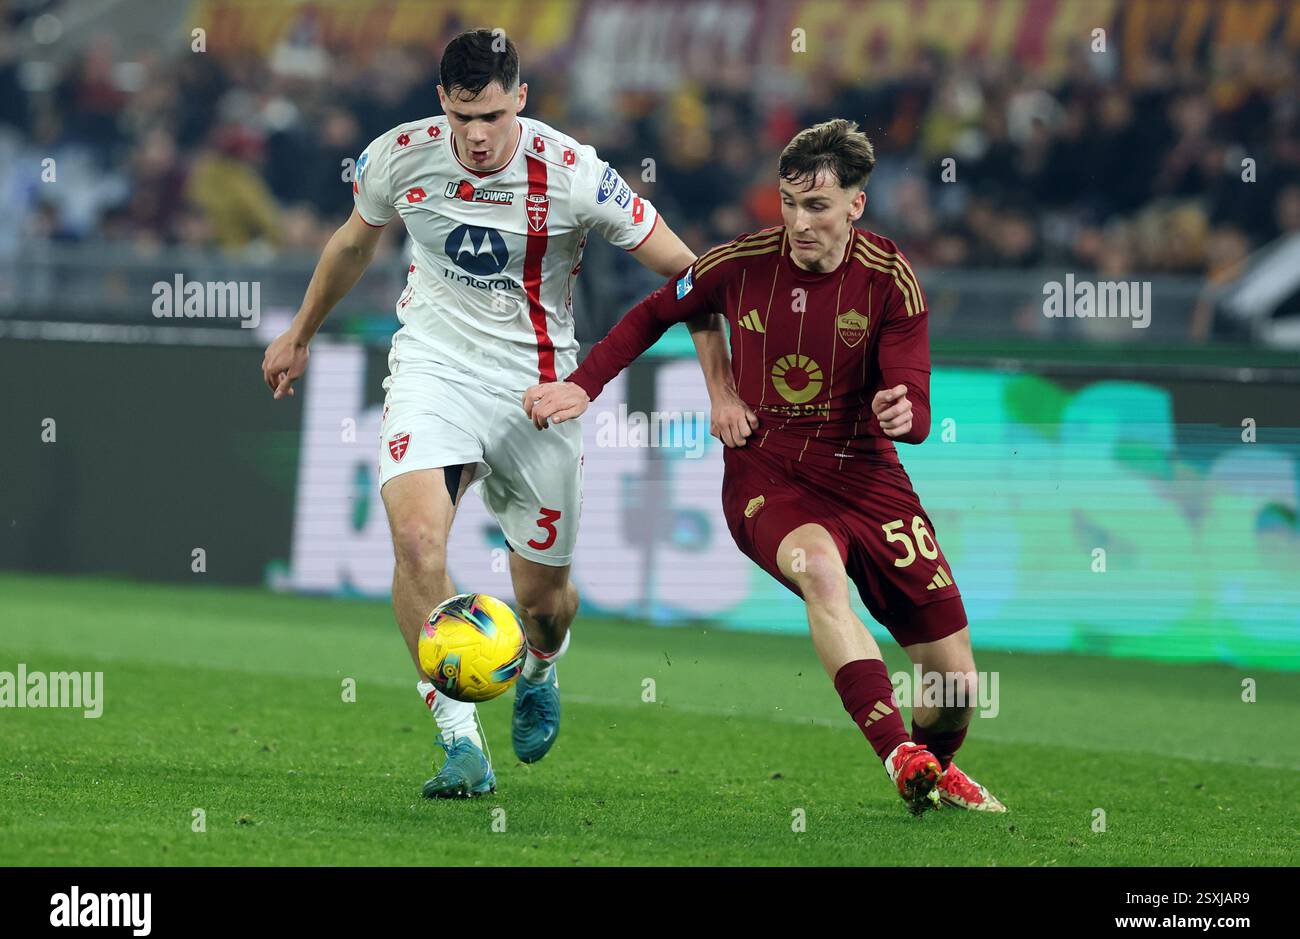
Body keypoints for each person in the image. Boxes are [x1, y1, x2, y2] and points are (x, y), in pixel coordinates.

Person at [260, 29, 747, 798]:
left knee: (540, 604)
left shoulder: (576, 174)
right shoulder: (398, 156)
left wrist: (719, 388)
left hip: (537, 391)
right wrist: (300, 331)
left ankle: (543, 667)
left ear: (521, 97)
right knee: (419, 544)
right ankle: (459, 741)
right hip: (433, 368)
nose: (476, 137)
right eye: (461, 118)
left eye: (490, 115)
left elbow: (692, 275)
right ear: (441, 106)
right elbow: (355, 243)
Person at [523, 119, 1005, 814]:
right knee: (820, 575)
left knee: (955, 684)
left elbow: (914, 396)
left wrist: (909, 413)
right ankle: (898, 752)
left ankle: (933, 770)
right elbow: (652, 313)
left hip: (870, 480)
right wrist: (584, 385)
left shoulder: (889, 278)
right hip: (768, 476)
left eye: (816, 207)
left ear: (855, 206)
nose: (798, 222)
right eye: (788, 202)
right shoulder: (738, 263)